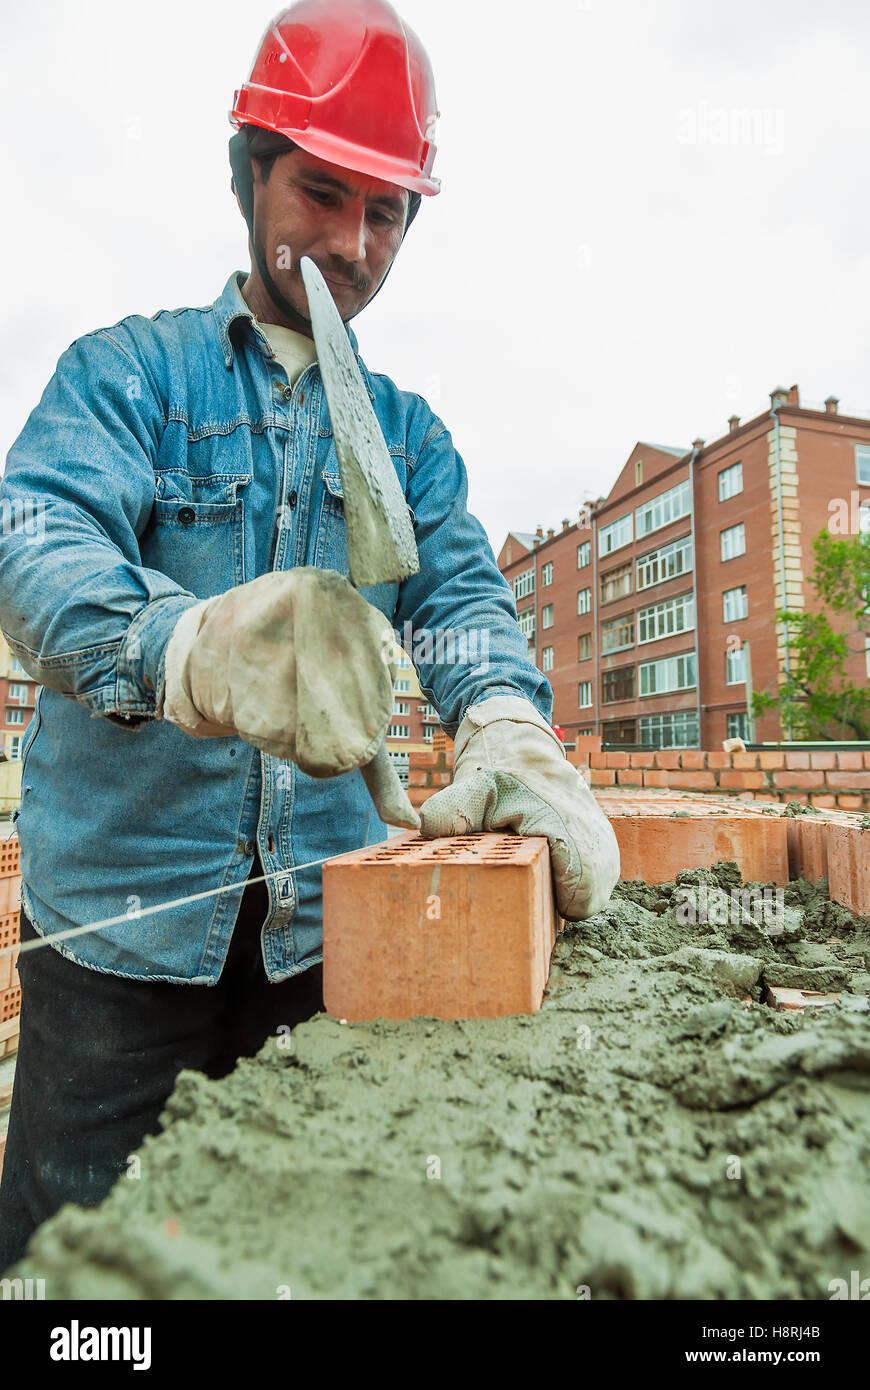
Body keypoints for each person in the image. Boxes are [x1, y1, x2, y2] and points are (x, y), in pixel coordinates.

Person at [0, 0, 620, 1271]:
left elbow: (458, 609)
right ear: (249, 177)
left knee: (301, 1262)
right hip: (119, 948)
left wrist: (507, 723)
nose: (350, 240)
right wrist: (181, 648)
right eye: (321, 192)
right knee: (76, 1277)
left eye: (385, 211)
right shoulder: (129, 377)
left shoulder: (407, 436)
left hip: (326, 942)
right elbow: (35, 545)